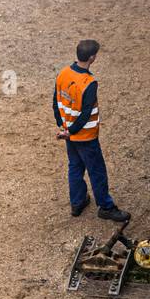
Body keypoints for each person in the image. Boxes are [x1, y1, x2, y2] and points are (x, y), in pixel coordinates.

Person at [53, 40, 130, 220]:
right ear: (92, 58)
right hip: (84, 136)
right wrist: (72, 131)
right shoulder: (89, 82)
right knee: (97, 171)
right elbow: (86, 113)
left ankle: (78, 203)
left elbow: (55, 101)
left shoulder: (63, 73)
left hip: (68, 133)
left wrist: (63, 127)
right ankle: (106, 207)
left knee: (75, 167)